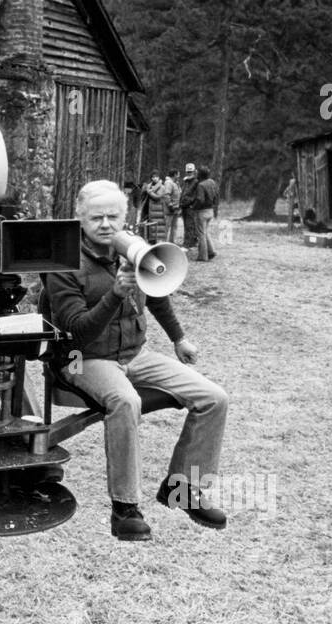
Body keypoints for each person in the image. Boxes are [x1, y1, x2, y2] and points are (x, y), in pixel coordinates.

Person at [43, 180, 229, 542]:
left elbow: (157, 295)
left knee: (213, 397)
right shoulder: (63, 262)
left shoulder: (132, 249)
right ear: (79, 218)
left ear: (125, 216)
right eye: (96, 217)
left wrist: (178, 338)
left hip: (134, 354)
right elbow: (77, 332)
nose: (106, 224)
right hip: (83, 358)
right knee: (125, 401)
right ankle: (125, 508)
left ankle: (183, 488)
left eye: (113, 216)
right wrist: (115, 294)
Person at [193, 166, 219, 261]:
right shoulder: (212, 182)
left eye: (197, 172)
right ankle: (211, 251)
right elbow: (216, 195)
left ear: (200, 174)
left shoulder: (201, 185)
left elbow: (200, 199)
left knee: (201, 234)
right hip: (210, 210)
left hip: (202, 212)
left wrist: (194, 207)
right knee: (206, 232)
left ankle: (203, 256)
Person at [178, 163, 199, 248]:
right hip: (184, 206)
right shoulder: (186, 181)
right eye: (188, 172)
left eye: (191, 172)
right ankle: (191, 242)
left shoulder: (196, 182)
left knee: (190, 226)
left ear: (194, 171)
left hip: (190, 207)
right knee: (187, 225)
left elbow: (196, 195)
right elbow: (183, 193)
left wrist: (192, 204)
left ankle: (188, 244)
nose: (189, 173)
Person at [161, 169, 181, 243]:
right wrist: (170, 205)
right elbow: (166, 195)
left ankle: (172, 243)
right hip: (169, 210)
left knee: (174, 227)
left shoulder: (175, 183)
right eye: (178, 174)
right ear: (175, 175)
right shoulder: (168, 183)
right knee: (166, 227)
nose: (179, 176)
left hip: (175, 209)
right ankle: (163, 243)